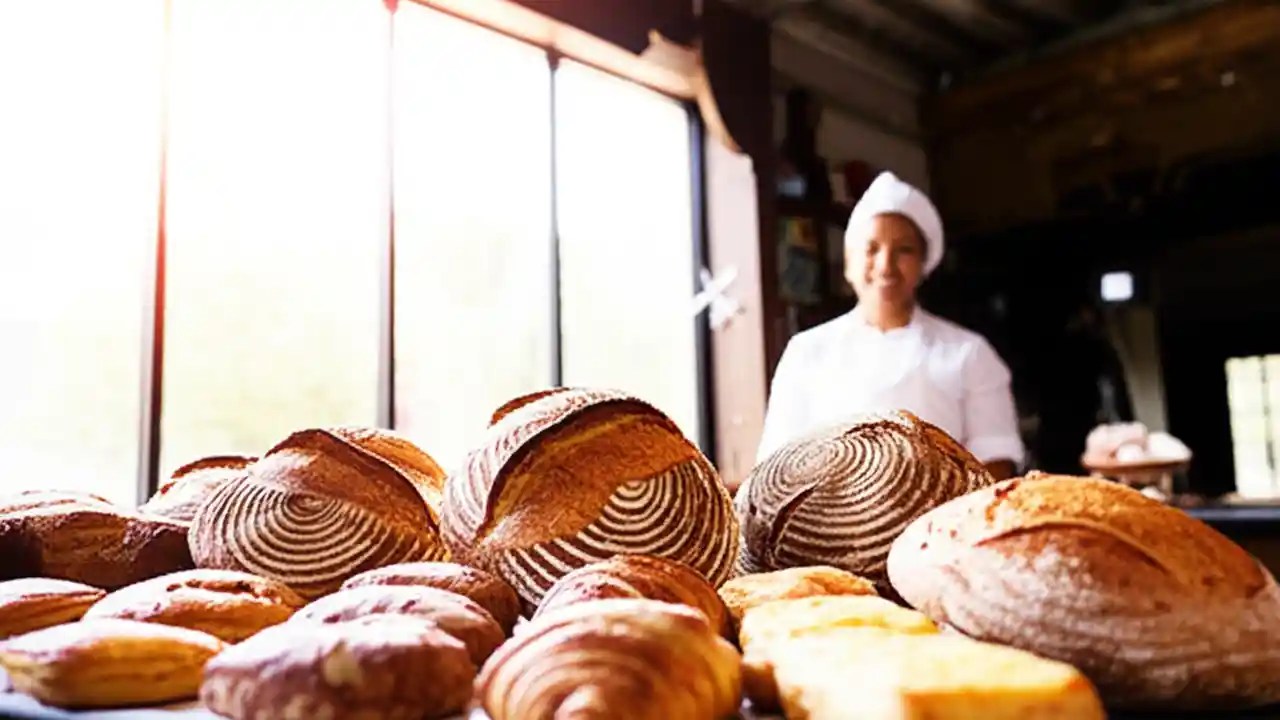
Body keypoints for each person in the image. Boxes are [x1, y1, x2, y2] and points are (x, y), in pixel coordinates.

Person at [757, 171, 1025, 480]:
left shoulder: (969, 353)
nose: (885, 265)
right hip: (834, 525)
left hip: (939, 522)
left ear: (924, 264)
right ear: (848, 263)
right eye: (871, 248)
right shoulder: (806, 352)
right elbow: (774, 469)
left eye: (904, 250)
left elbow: (997, 464)